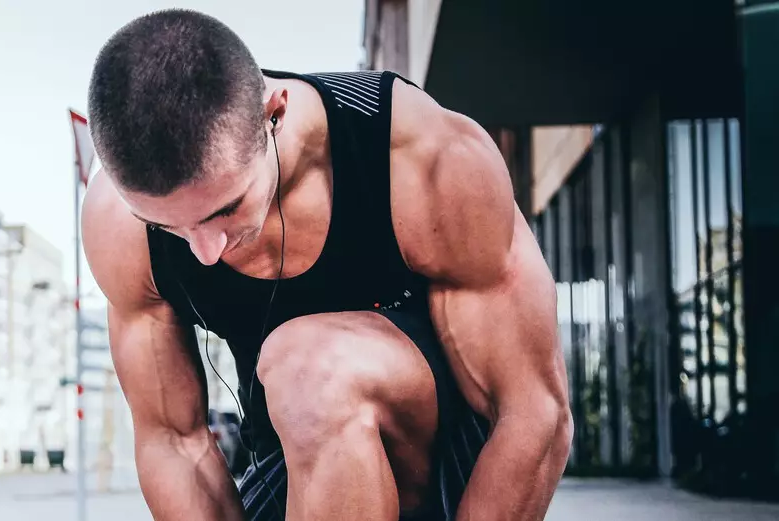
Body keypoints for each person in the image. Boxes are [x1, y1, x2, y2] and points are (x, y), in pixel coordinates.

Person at [80, 9, 572, 521]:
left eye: (225, 209)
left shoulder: (420, 155)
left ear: (275, 112)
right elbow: (173, 442)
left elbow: (534, 411)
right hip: (298, 461)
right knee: (304, 386)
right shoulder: (118, 226)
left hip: (452, 457)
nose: (205, 250)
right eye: (168, 227)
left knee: (308, 368)